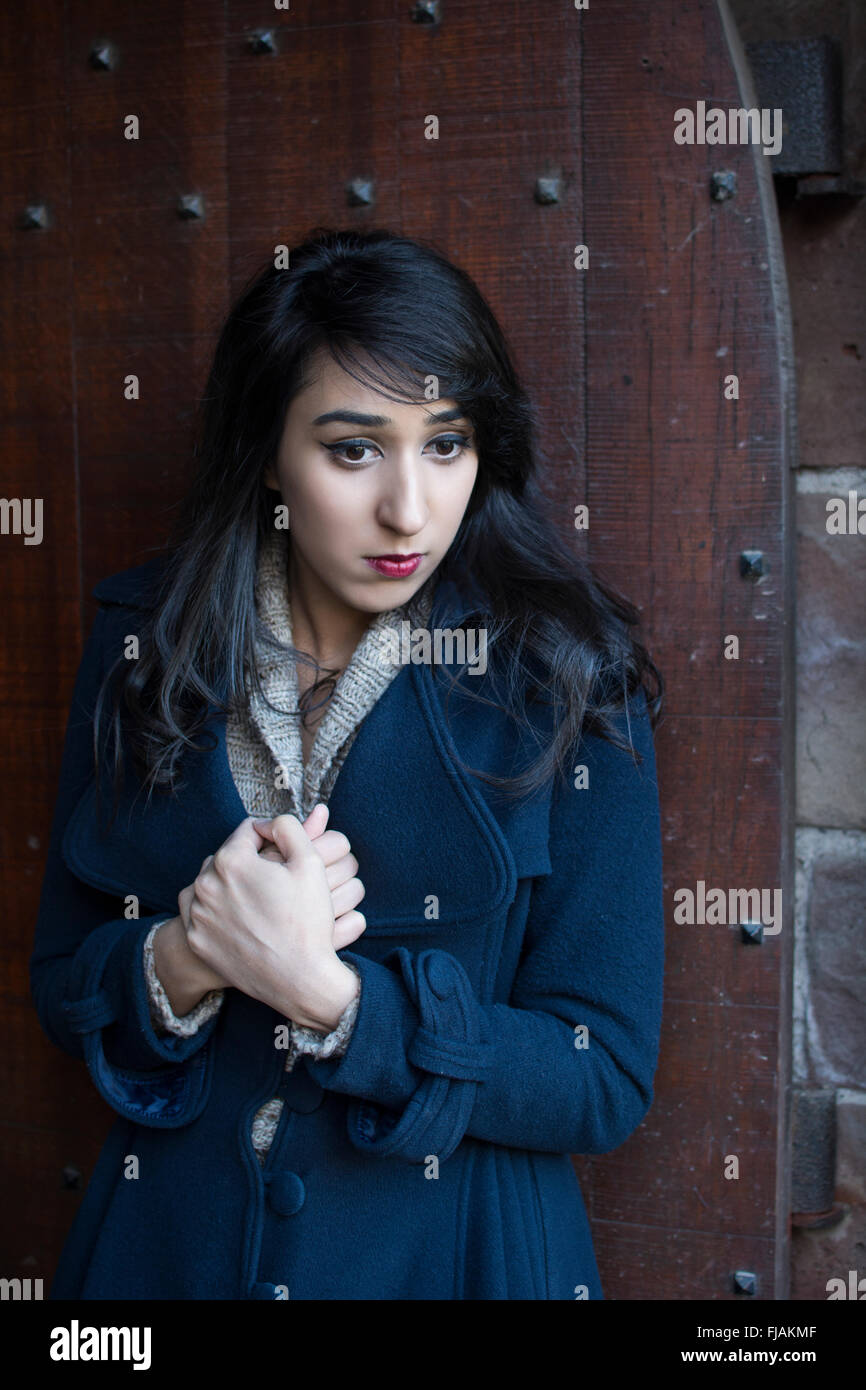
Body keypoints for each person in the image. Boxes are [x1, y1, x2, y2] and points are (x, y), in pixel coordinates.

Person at [30, 227, 666, 1301]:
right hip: (165, 1261)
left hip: (451, 1263)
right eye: (353, 448)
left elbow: (599, 1076)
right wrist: (185, 956)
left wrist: (335, 1003)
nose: (407, 510)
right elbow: (62, 983)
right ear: (269, 447)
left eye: (447, 443)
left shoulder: (566, 679)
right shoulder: (144, 640)